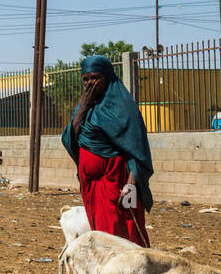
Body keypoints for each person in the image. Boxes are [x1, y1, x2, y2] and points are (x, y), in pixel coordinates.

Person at [61, 55, 154, 245]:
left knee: (121, 234)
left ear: (108, 77)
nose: (90, 83)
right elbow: (70, 136)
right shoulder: (85, 107)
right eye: (86, 79)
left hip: (117, 184)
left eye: (95, 77)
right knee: (100, 235)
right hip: (92, 187)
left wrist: (130, 186)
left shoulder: (123, 107)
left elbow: (136, 148)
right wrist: (83, 106)